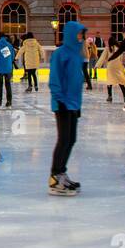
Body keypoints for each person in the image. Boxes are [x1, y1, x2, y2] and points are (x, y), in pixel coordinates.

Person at [47, 19, 86, 195]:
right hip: (62, 103)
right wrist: (60, 99)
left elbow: (76, 79)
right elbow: (54, 79)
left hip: (73, 103)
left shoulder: (77, 53)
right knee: (63, 140)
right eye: (79, 34)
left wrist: (77, 105)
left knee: (71, 139)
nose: (81, 37)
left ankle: (61, 172)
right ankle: (55, 177)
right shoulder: (60, 53)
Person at [102, 35, 125, 104]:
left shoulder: (107, 48)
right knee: (120, 82)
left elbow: (102, 57)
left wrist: (97, 65)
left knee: (110, 81)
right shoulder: (119, 48)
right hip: (118, 66)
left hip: (111, 67)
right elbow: (121, 58)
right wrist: (121, 65)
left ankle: (110, 96)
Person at [0, 32, 15, 107]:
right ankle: (9, 101)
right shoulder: (9, 45)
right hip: (8, 68)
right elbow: (13, 56)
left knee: (0, 85)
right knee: (8, 85)